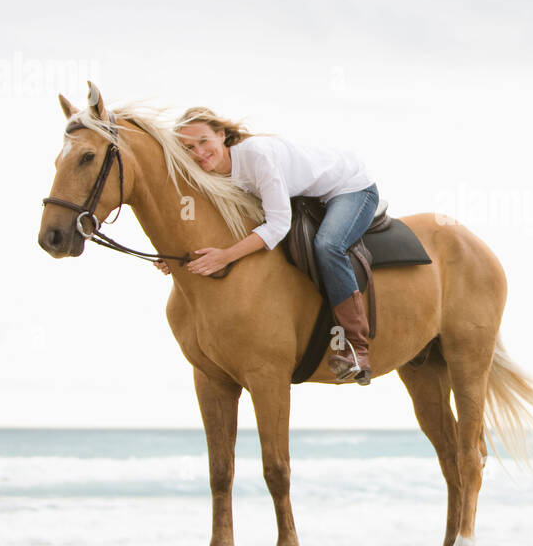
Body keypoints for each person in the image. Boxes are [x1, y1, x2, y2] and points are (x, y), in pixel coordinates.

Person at [155, 106, 379, 385]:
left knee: (328, 245)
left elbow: (278, 225)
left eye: (203, 141)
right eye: (188, 147)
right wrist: (177, 259)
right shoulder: (209, 173)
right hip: (306, 194)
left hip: (348, 187)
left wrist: (226, 256)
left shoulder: (256, 157)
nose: (198, 153)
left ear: (221, 135)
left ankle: (357, 349)